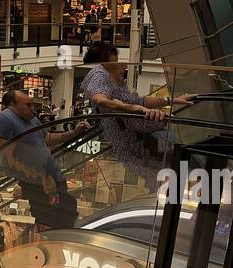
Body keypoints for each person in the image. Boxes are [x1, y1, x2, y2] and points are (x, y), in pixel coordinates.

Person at [79, 42, 193, 189]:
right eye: (115, 62)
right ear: (106, 63)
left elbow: (141, 100)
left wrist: (174, 100)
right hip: (135, 143)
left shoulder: (117, 83)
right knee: (178, 158)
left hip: (144, 137)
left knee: (176, 160)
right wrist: (133, 108)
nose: (123, 66)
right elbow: (99, 98)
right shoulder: (100, 74)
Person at [0, 88, 86, 230]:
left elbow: (47, 138)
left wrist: (74, 133)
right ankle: (46, 246)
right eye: (27, 105)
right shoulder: (5, 119)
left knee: (65, 211)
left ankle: (54, 244)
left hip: (52, 179)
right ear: (12, 105)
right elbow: (2, 152)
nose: (32, 108)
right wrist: (42, 176)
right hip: (37, 183)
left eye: (32, 105)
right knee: (48, 217)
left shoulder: (32, 120)